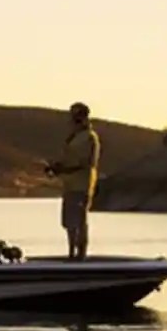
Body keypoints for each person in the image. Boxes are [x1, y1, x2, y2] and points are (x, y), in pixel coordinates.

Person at [45, 102, 101, 260]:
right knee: (69, 221)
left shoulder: (89, 137)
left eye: (77, 116)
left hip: (81, 185)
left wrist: (62, 170)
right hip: (69, 185)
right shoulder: (73, 137)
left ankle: (80, 255)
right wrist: (55, 167)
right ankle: (71, 254)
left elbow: (86, 163)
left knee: (79, 221)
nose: (73, 119)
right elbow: (67, 159)